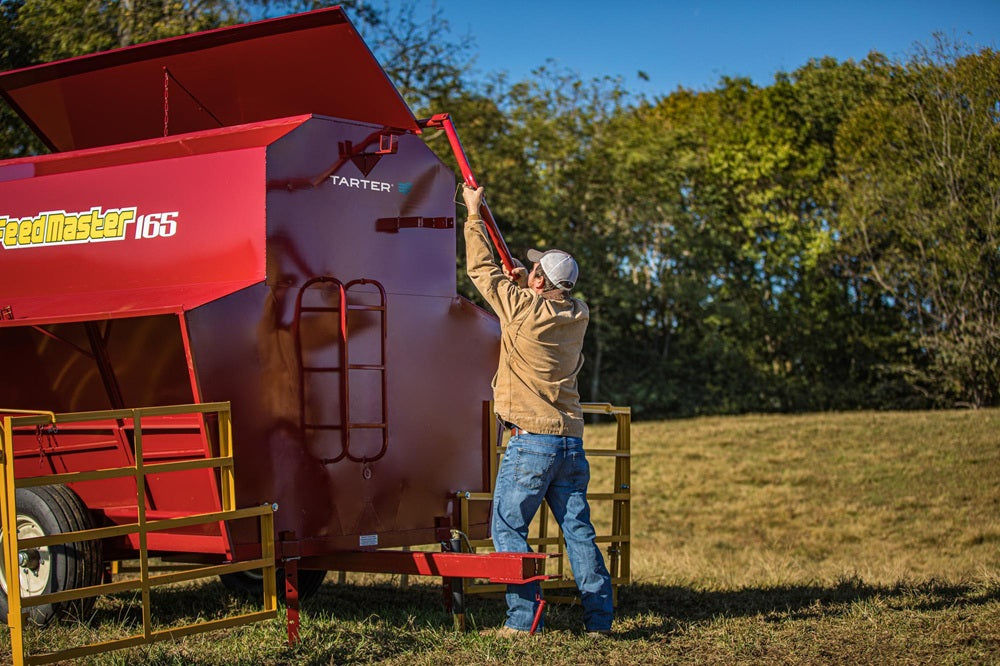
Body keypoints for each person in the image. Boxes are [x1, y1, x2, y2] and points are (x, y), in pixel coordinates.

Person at [462, 184, 613, 637]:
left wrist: (473, 213)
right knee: (578, 531)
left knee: (507, 527)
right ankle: (600, 622)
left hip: (531, 442)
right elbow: (533, 294)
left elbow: (480, 270)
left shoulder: (523, 309)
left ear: (540, 281)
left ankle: (523, 620)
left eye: (534, 271)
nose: (528, 273)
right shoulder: (578, 314)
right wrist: (524, 281)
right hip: (570, 439)